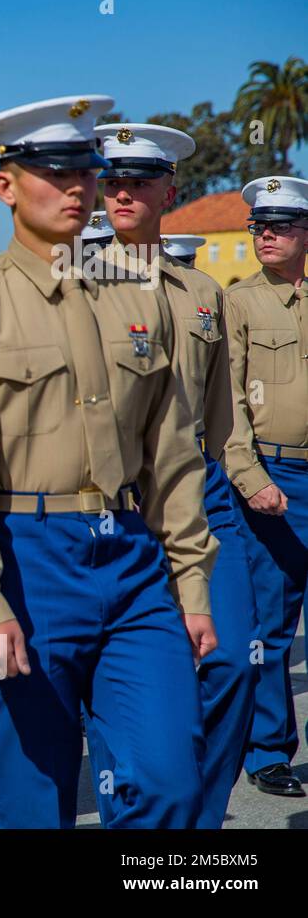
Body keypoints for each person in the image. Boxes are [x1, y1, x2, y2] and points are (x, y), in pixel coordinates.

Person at [0, 94, 216, 828]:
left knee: (170, 778)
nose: (77, 187)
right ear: (6, 185)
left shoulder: (140, 294)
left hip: (131, 559)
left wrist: (193, 581)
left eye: (85, 169)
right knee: (30, 797)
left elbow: (173, 453)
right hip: (28, 560)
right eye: (52, 171)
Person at [91, 122, 260, 827]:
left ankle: (199, 814)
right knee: (117, 683)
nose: (124, 193)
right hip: (118, 505)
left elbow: (224, 421)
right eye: (113, 182)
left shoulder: (202, 293)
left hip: (202, 497)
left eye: (139, 181)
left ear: (170, 190)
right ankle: (133, 811)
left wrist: (247, 482)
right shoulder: (79, 284)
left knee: (234, 664)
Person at [223, 175, 308, 798]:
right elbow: (225, 404)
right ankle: (270, 749)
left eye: (278, 226)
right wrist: (250, 477)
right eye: (257, 226)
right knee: (270, 624)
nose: (264, 235)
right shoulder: (240, 302)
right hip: (273, 479)